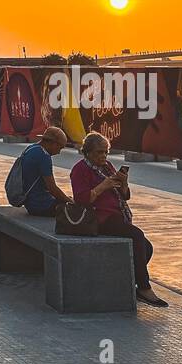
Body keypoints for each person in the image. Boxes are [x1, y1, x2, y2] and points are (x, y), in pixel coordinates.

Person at [70, 132, 167, 308]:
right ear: (88, 152)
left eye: (106, 152)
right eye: (99, 152)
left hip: (117, 215)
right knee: (137, 236)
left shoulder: (107, 166)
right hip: (98, 218)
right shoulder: (80, 170)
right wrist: (102, 186)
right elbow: (81, 200)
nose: (103, 156)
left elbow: (125, 196)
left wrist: (124, 184)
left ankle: (126, 280)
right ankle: (144, 288)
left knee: (147, 247)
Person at [18, 127, 70, 216]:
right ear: (52, 143)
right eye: (59, 147)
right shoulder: (44, 156)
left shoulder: (31, 148)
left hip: (29, 203)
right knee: (75, 209)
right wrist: (69, 201)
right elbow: (52, 188)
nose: (59, 152)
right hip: (41, 205)